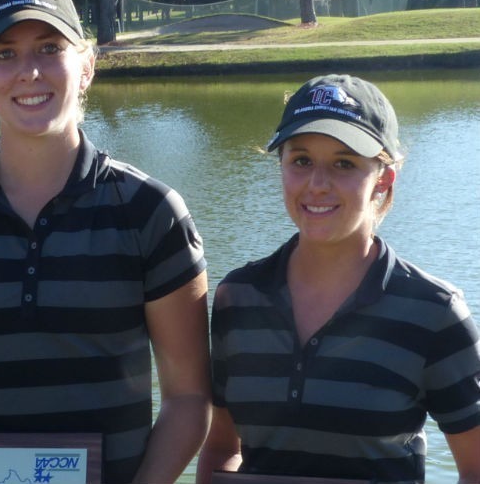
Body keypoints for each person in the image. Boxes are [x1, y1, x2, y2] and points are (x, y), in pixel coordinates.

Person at [0, 0, 211, 484]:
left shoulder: (152, 212)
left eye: (49, 48)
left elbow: (188, 397)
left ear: (87, 66)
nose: (30, 72)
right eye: (4, 54)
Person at [196, 74, 480, 484]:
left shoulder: (435, 312)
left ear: (383, 178)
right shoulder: (237, 297)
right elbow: (223, 448)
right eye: (301, 160)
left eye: (344, 163)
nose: (317, 184)